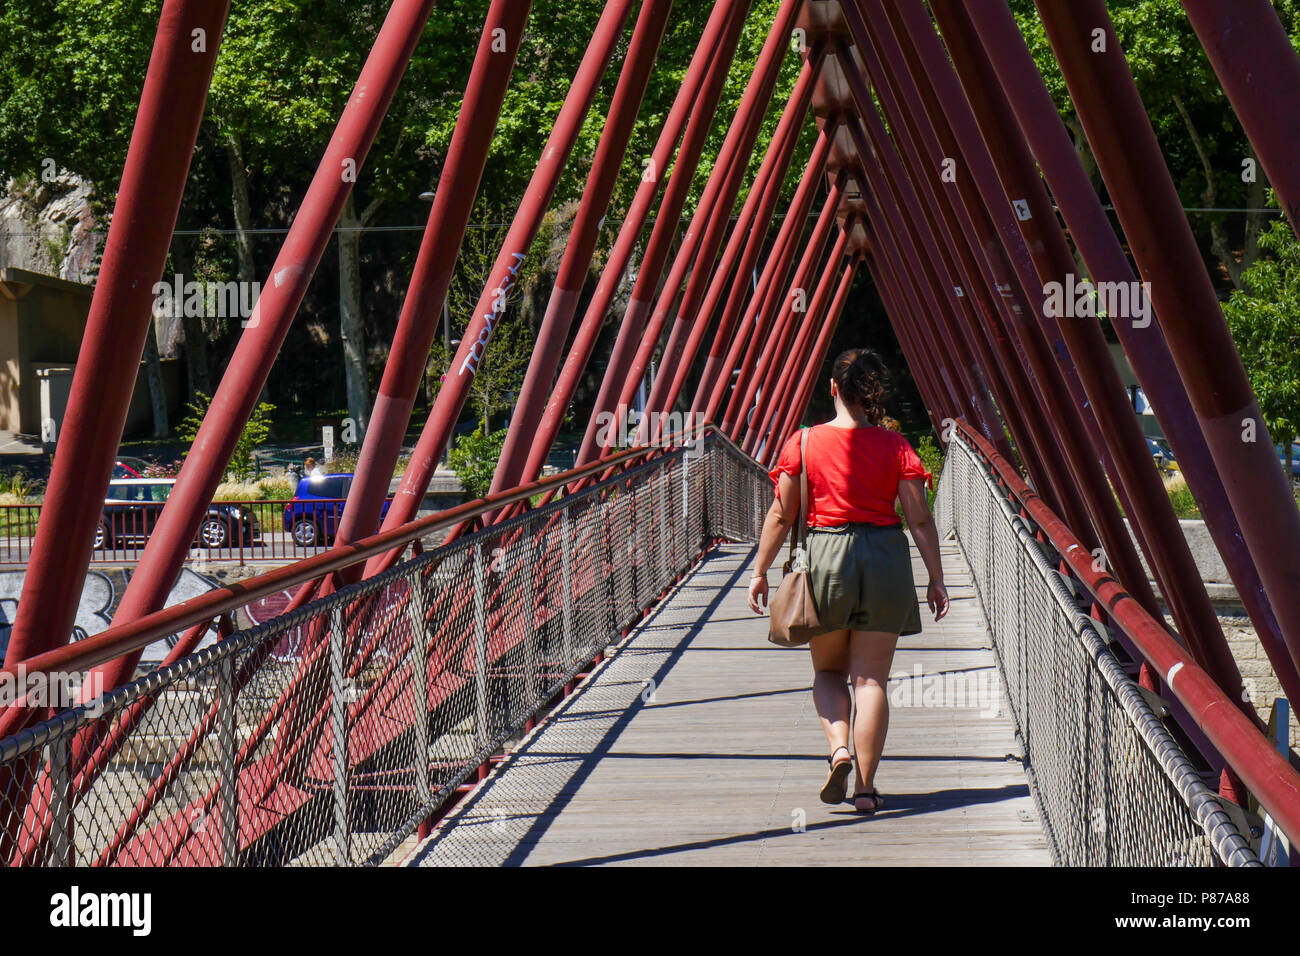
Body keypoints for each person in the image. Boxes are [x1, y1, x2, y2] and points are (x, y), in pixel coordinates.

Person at [747, 348, 949, 814]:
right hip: (884, 558)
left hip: (826, 557)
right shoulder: (897, 447)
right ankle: (864, 787)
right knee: (871, 680)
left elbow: (783, 514)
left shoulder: (803, 443)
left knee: (828, 672)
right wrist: (936, 579)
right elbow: (918, 520)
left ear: (833, 389)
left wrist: (759, 570)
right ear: (870, 392)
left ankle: (838, 747)